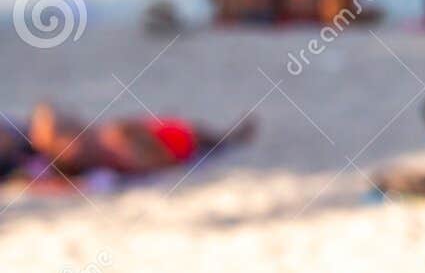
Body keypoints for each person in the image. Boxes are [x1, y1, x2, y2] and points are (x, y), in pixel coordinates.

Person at [26, 103, 254, 178]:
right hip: (168, 145)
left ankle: (228, 138)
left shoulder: (109, 140)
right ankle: (228, 138)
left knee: (202, 135)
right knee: (202, 135)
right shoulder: (115, 143)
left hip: (166, 142)